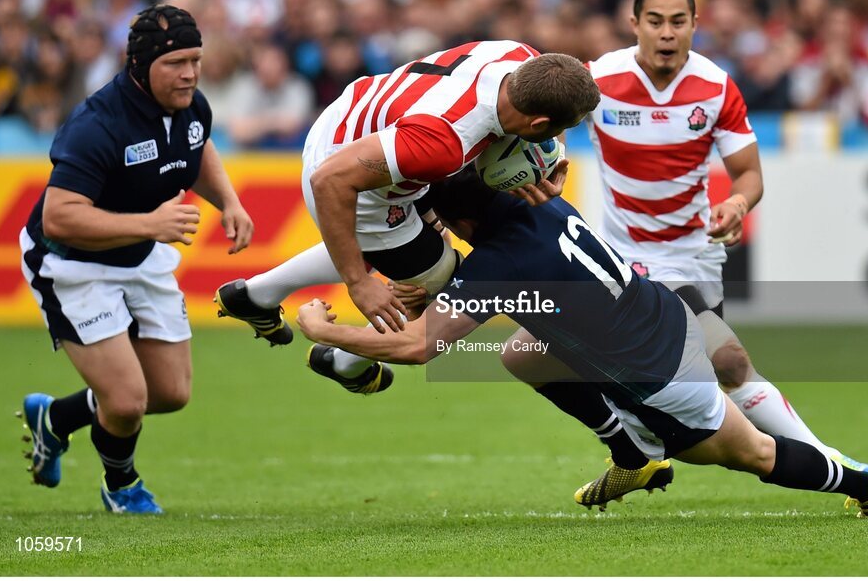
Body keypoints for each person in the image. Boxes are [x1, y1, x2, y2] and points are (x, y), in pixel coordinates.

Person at [295, 170, 868, 518]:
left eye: (442, 221)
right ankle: (630, 451)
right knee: (522, 352)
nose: (440, 230)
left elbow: (419, 348)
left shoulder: (499, 265)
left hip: (665, 379)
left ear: (461, 221)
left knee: (755, 454)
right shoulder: (540, 200)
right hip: (662, 316)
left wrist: (324, 329)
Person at [542, 0, 868, 502]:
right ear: (634, 23)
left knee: (720, 367)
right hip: (625, 256)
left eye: (678, 21)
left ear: (696, 24)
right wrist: (547, 164)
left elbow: (749, 175)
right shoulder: (599, 80)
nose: (666, 33)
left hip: (693, 256)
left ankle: (640, 447)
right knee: (726, 360)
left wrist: (737, 203)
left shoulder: (715, 87)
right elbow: (545, 130)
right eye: (655, 21)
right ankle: (843, 470)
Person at [214, 41, 600, 393]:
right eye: (559, 130)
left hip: (361, 114)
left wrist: (551, 159)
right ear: (538, 123)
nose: (560, 136)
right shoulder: (445, 143)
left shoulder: (521, 58)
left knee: (414, 256)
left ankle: (255, 295)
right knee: (446, 287)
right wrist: (358, 284)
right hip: (348, 175)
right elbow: (329, 181)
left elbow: (556, 98)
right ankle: (343, 362)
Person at [18, 5, 253, 514]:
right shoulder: (97, 124)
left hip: (140, 254)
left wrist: (229, 202)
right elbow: (59, 218)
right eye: (175, 63)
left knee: (169, 393)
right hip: (71, 264)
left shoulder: (191, 105)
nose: (189, 73)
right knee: (126, 401)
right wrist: (151, 225)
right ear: (140, 66)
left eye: (195, 60)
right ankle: (121, 486)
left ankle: (55, 420)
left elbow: (198, 147)